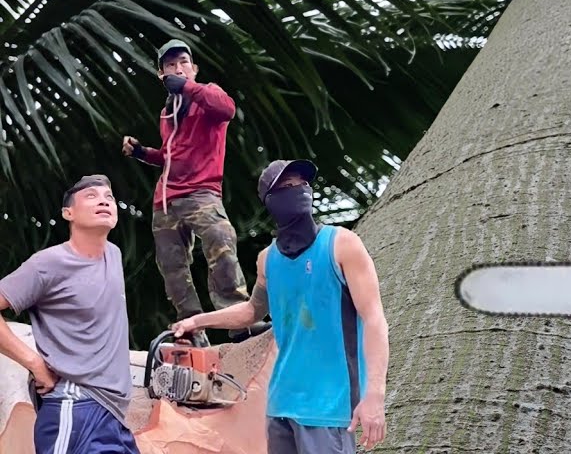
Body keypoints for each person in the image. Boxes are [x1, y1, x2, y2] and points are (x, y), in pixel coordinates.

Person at [171, 159, 388, 453]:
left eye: (303, 184)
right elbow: (251, 311)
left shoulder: (341, 244)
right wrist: (197, 321)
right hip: (280, 403)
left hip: (327, 404)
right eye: (286, 187)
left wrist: (375, 394)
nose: (298, 191)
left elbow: (374, 319)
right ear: (270, 201)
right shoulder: (268, 260)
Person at [121, 38, 256, 344]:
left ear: (194, 69)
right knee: (173, 270)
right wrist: (142, 152)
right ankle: (192, 332)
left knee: (221, 242)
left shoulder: (207, 93)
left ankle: (238, 321)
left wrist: (186, 86)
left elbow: (227, 109)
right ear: (161, 74)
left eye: (183, 62)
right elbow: (171, 156)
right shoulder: (167, 113)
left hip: (202, 193)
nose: (177, 68)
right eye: (170, 65)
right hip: (165, 202)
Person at [0, 175, 141, 454]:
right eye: (91, 195)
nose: (104, 200)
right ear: (68, 213)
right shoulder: (48, 264)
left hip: (113, 414)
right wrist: (34, 363)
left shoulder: (112, 255)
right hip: (74, 408)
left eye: (109, 197)